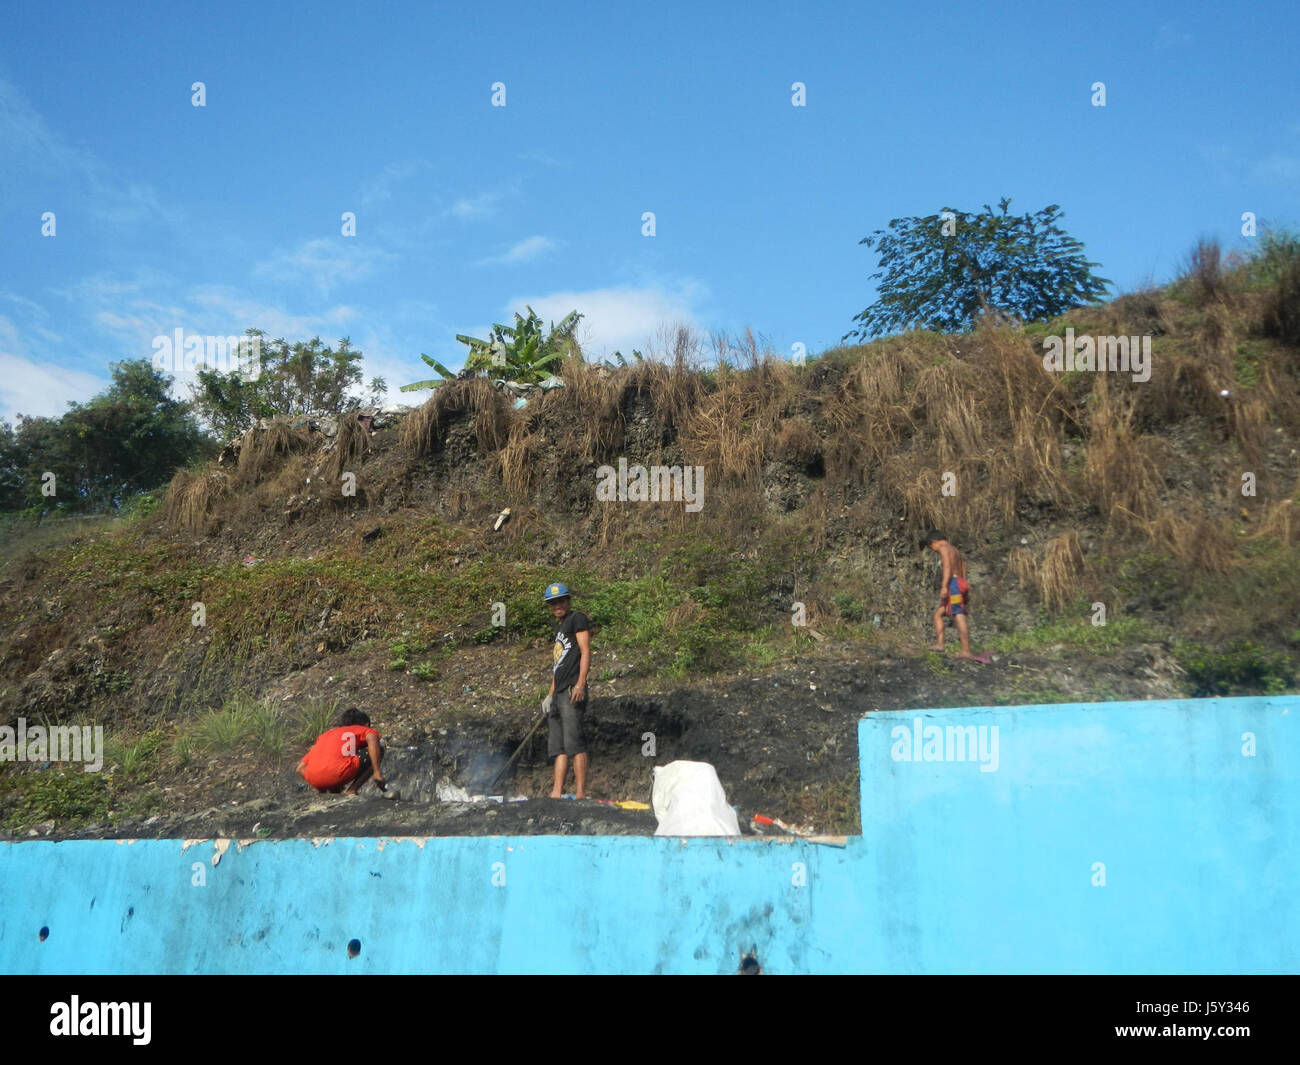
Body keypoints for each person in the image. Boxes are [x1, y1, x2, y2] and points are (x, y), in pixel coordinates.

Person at [542, 582, 591, 799]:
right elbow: (557, 665)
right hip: (558, 692)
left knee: (574, 743)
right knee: (558, 747)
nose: (557, 606)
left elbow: (585, 650)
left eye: (560, 601)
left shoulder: (577, 619)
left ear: (568, 600)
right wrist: (550, 694)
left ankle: (580, 793)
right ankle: (556, 793)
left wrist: (580, 684)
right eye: (553, 603)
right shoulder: (558, 628)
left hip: (572, 689)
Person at [297, 708, 385, 795]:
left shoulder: (326, 735)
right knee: (379, 749)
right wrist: (376, 772)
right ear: (366, 724)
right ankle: (352, 790)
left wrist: (320, 783)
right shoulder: (364, 729)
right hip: (338, 774)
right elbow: (372, 738)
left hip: (315, 779)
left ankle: (327, 789)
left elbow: (300, 769)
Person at [921, 530, 977, 660]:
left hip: (954, 584)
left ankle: (966, 651)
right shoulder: (955, 550)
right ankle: (940, 644)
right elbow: (963, 568)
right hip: (960, 583)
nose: (932, 549)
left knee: (958, 615)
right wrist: (965, 589)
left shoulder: (944, 548)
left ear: (934, 542)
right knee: (938, 615)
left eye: (930, 546)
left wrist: (944, 586)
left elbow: (947, 568)